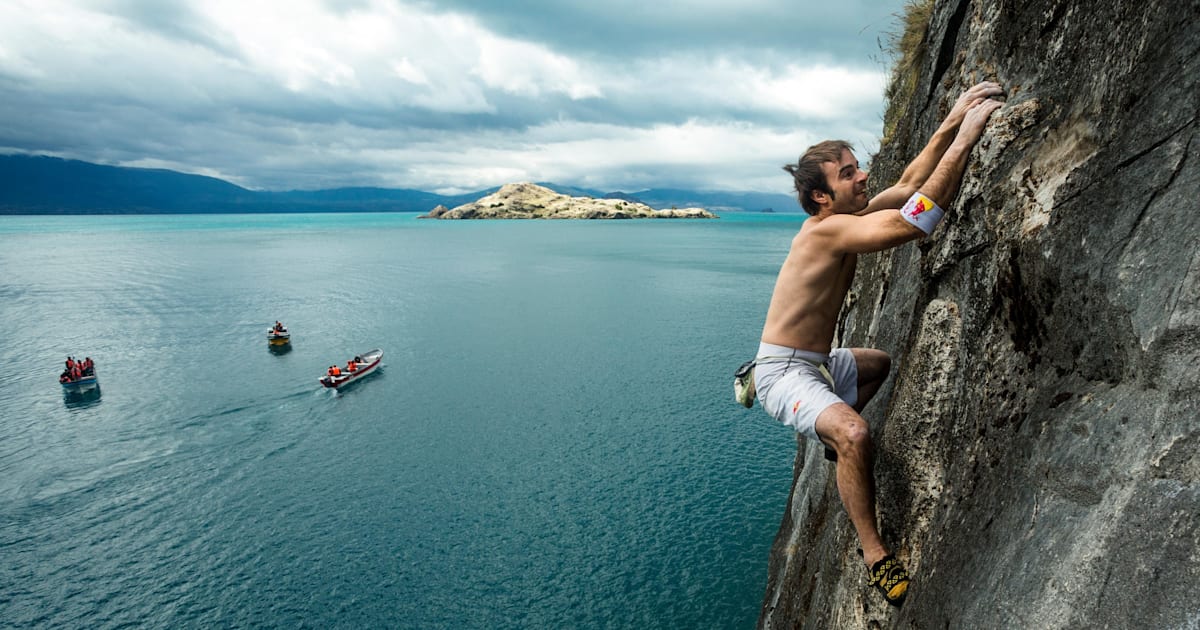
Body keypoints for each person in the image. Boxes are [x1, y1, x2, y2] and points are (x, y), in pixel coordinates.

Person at [753, 81, 1004, 607]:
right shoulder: (824, 233)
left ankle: (833, 443)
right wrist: (968, 139)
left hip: (815, 363)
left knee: (878, 364)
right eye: (849, 174)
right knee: (855, 432)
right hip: (781, 374)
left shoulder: (844, 217)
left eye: (857, 166)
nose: (864, 175)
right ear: (822, 196)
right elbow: (918, 220)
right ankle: (874, 554)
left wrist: (954, 115)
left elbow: (912, 183)